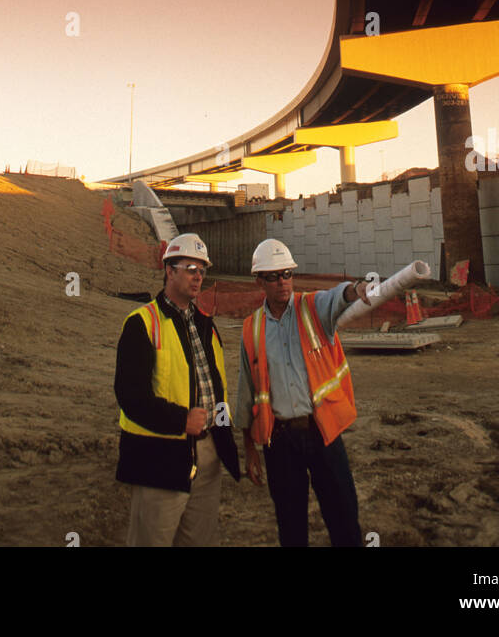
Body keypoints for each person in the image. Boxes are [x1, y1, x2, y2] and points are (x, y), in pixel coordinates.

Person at [234, 237, 369, 547]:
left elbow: (338, 297)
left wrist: (356, 290)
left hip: (322, 432)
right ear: (260, 281)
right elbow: (247, 392)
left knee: (345, 518)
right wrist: (250, 449)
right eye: (274, 276)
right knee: (291, 526)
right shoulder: (252, 329)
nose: (283, 282)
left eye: (287, 274)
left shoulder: (313, 309)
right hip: (280, 441)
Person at [114, 232, 239, 546]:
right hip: (159, 459)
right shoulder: (142, 323)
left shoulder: (206, 324)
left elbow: (217, 390)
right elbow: (130, 395)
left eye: (202, 271)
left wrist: (227, 440)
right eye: (190, 269)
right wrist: (179, 419)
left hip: (207, 456)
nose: (198, 277)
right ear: (170, 270)